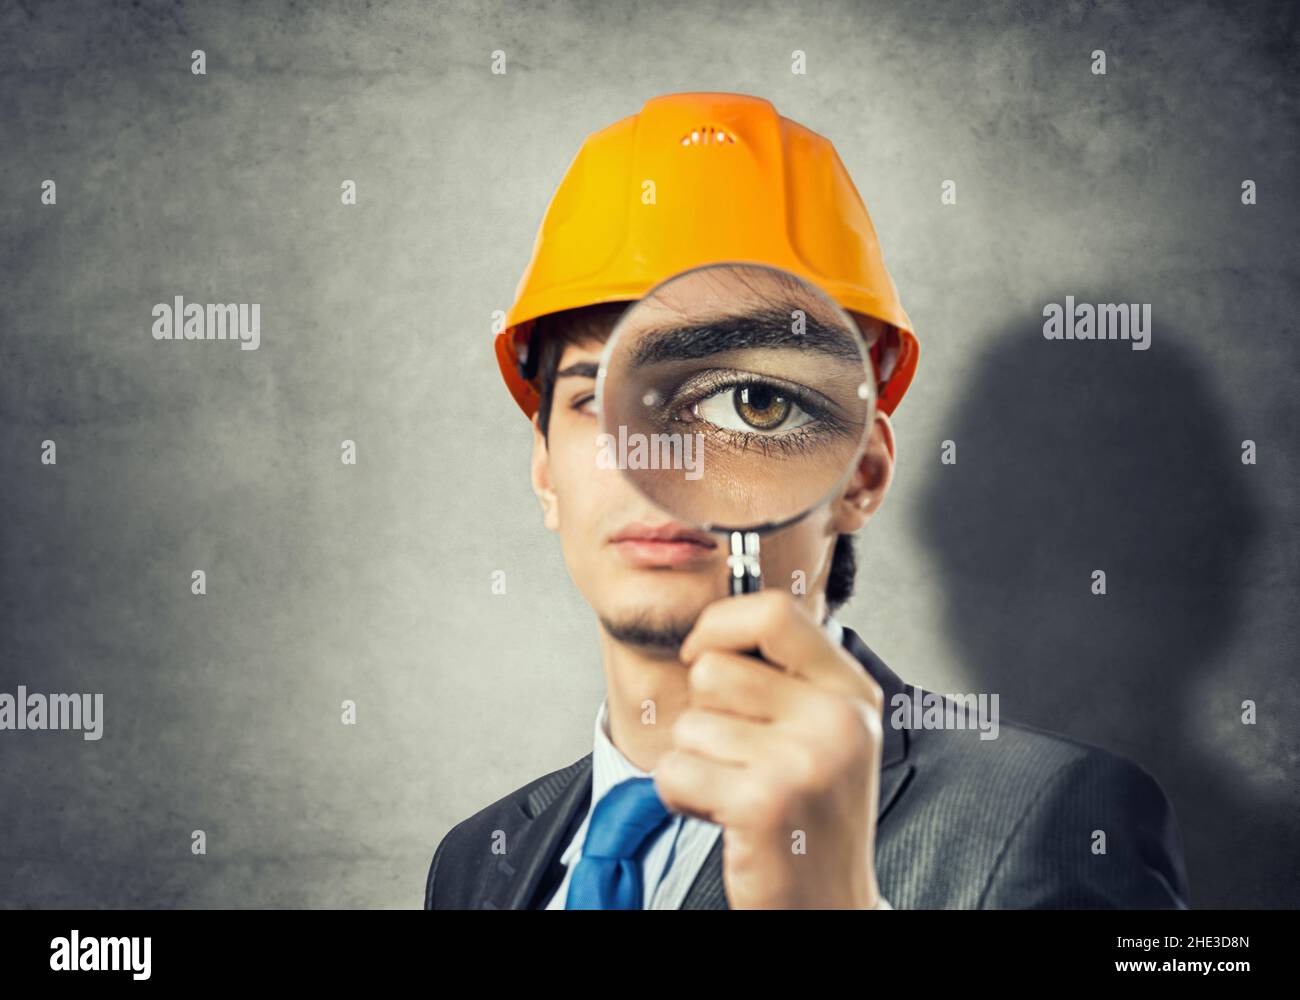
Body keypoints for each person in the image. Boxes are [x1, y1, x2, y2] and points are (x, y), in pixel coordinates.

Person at [424, 92, 1189, 909]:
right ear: (545, 468)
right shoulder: (478, 861)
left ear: (859, 476)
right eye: (597, 396)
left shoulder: (1056, 813)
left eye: (752, 403)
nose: (658, 457)